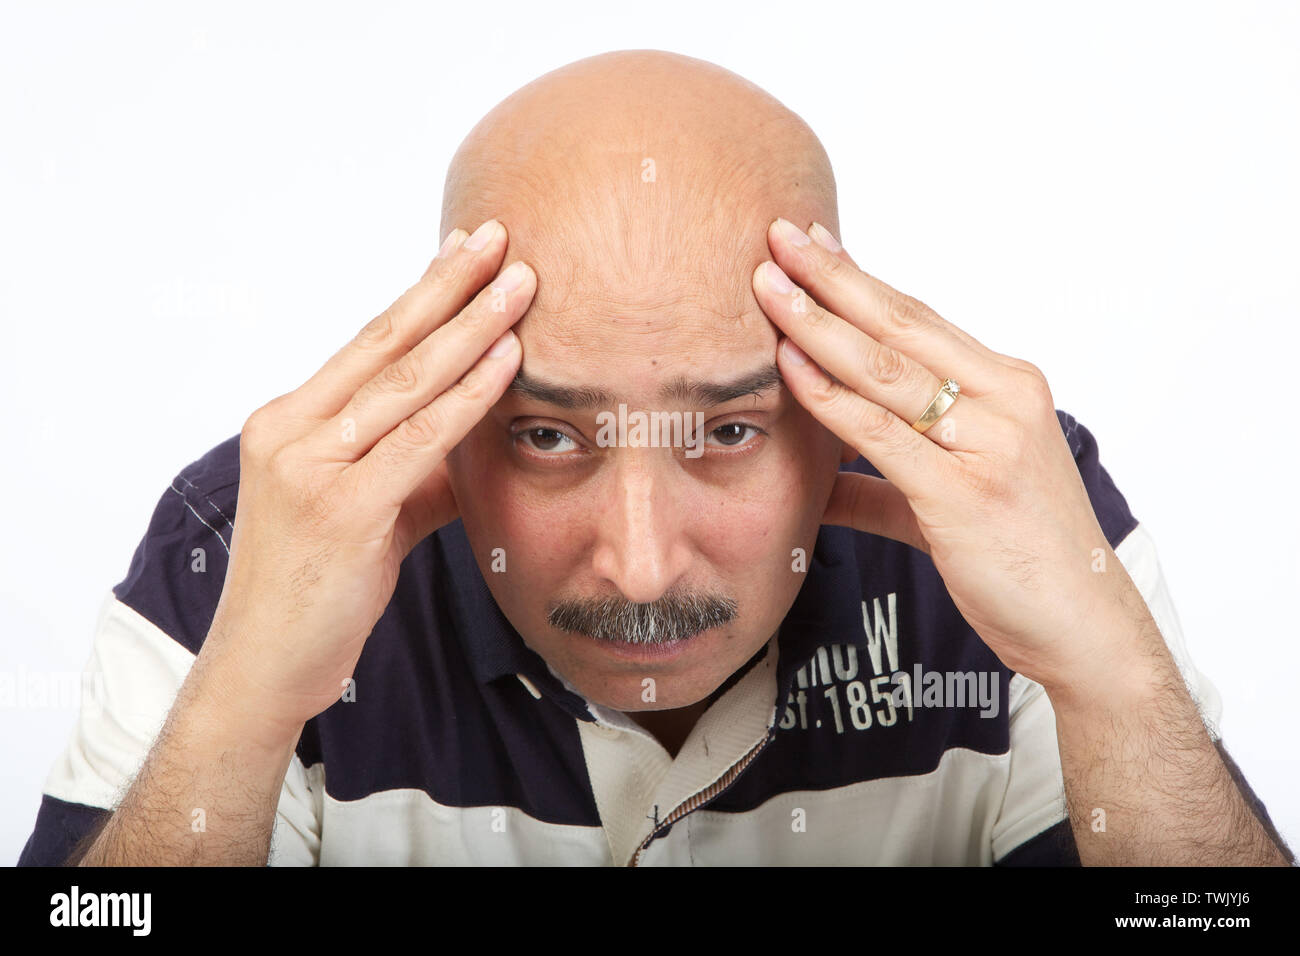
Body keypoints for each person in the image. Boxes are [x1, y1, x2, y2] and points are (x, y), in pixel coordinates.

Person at [18, 49, 1292, 866]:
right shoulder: (250, 538)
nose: (636, 567)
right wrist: (241, 706)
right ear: (450, 405)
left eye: (728, 431)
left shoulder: (1010, 505)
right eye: (546, 434)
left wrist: (1114, 679)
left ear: (841, 399)